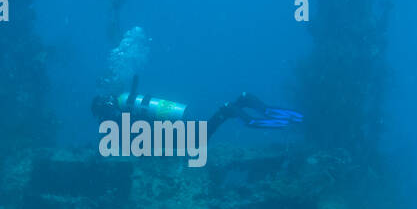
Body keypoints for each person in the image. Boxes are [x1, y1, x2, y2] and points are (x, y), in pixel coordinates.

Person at [91, 78, 303, 137]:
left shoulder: (119, 117)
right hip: (178, 123)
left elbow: (141, 133)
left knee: (210, 127)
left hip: (179, 135)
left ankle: (274, 121)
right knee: (212, 122)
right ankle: (244, 100)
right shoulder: (125, 104)